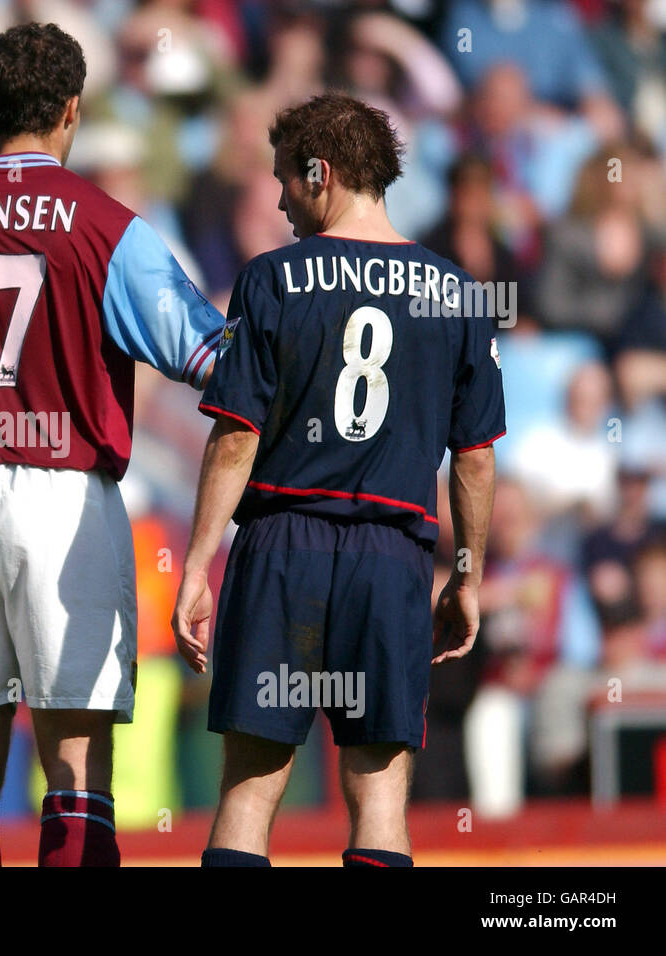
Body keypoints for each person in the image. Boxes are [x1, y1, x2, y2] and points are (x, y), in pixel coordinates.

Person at [0, 22, 225, 867]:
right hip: (61, 491)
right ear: (71, 110)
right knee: (76, 758)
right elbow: (210, 358)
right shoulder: (108, 225)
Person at [172, 92, 505, 867]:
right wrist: (468, 578)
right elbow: (477, 456)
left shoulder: (272, 279)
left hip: (282, 547)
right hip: (391, 556)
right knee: (380, 795)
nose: (283, 200)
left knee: (250, 791)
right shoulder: (458, 293)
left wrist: (196, 563)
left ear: (320, 172)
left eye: (287, 179)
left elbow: (235, 435)